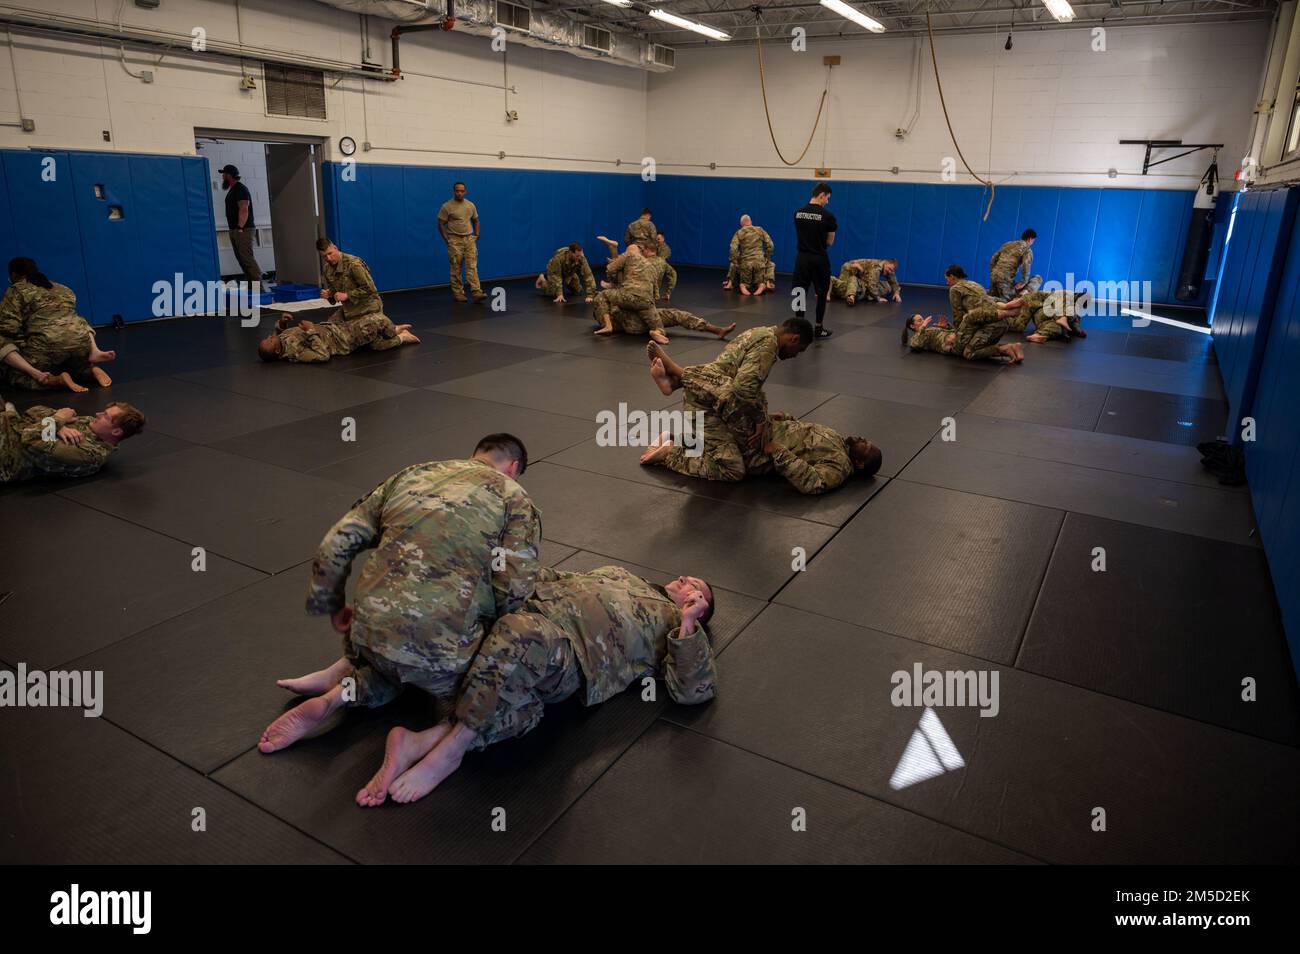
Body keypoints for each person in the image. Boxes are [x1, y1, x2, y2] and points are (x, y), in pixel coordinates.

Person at [259, 434, 542, 754]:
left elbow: (336, 543)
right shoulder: (514, 498)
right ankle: (437, 733)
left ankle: (336, 695)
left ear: (475, 454)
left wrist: (333, 603)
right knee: (500, 690)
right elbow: (514, 589)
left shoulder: (413, 473)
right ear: (514, 468)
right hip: (440, 654)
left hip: (365, 634)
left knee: (395, 659)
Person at [355, 565, 717, 805]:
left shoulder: (677, 627)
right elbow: (557, 575)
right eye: (686, 579)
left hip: (567, 653)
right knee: (522, 708)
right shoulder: (618, 573)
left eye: (696, 591)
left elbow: (693, 690)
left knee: (521, 635)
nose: (685, 585)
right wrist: (507, 574)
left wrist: (689, 622)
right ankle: (412, 735)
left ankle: (451, 751)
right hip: (530, 613)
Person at [646, 318, 813, 444]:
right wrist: (761, 419)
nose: (795, 355)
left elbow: (752, 386)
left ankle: (676, 383)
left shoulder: (762, 332)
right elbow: (743, 389)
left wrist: (765, 413)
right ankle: (677, 372)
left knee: (737, 428)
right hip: (708, 398)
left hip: (707, 389)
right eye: (799, 350)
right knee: (737, 459)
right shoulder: (768, 346)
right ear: (794, 339)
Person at [0, 257, 115, 391]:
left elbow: (8, 327)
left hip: (47, 346)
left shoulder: (16, 290)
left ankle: (48, 378)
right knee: (77, 320)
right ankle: (90, 369)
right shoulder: (62, 288)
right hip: (80, 344)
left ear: (13, 275)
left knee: (14, 374)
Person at [0, 399, 145, 483]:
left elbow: (31, 438)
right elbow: (35, 410)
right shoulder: (90, 423)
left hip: (7, 455)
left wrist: (59, 420)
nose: (97, 414)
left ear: (116, 431)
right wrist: (58, 426)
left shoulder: (89, 454)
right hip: (10, 426)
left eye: (105, 416)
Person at [257, 316, 419, 363]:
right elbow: (322, 355)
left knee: (366, 317)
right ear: (278, 352)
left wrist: (282, 324)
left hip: (333, 327)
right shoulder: (297, 354)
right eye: (270, 341)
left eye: (268, 337)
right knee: (379, 320)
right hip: (343, 340)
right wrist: (310, 331)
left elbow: (280, 334)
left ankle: (394, 330)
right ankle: (400, 337)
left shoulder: (280, 341)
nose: (270, 336)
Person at [592, 242, 666, 343]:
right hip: (646, 301)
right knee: (659, 327)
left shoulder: (629, 255)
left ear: (630, 251)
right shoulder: (650, 265)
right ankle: (657, 332)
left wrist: (613, 282)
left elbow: (610, 269)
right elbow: (656, 293)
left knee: (602, 295)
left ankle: (608, 326)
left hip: (628, 296)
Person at [791, 183, 836, 339]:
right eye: (827, 198)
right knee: (822, 294)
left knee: (799, 292)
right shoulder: (828, 216)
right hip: (819, 258)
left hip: (802, 258)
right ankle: (818, 328)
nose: (827, 202)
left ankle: (798, 327)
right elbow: (830, 242)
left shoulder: (798, 213)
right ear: (821, 195)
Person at [903, 313, 1022, 363]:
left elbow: (946, 333)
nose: (923, 321)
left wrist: (946, 326)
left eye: (922, 319)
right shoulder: (919, 335)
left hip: (955, 339)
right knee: (974, 349)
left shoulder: (929, 329)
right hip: (951, 344)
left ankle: (1005, 349)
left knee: (971, 352)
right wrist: (923, 327)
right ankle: (1008, 348)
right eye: (919, 320)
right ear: (912, 326)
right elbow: (915, 345)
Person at [437, 181, 486, 303]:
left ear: (465, 191)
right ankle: (458, 293)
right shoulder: (447, 206)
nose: (459, 193)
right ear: (454, 191)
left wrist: (476, 234)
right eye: (457, 191)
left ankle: (476, 292)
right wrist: (447, 239)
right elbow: (441, 224)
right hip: (455, 240)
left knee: (472, 266)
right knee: (456, 267)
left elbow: (476, 220)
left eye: (462, 191)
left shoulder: (470, 205)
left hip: (469, 239)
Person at [316, 239, 386, 320]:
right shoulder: (327, 269)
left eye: (330, 253)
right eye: (324, 256)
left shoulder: (354, 264)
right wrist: (329, 295)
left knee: (358, 331)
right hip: (349, 310)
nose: (329, 258)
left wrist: (347, 295)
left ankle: (394, 329)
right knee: (328, 328)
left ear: (335, 248)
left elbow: (370, 289)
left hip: (368, 309)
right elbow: (334, 299)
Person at [219, 164, 262, 287]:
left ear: (229, 175)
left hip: (243, 229)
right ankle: (252, 287)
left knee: (247, 259)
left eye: (224, 174)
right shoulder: (233, 190)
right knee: (242, 260)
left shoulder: (240, 189)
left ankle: (260, 289)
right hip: (236, 229)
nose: (222, 176)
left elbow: (244, 209)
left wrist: (240, 228)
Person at [602, 305, 734, 340]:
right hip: (635, 320)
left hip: (645, 315)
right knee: (676, 315)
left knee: (676, 314)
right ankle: (657, 331)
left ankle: (718, 330)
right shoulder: (611, 300)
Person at [1004, 289, 1090, 342]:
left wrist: (1079, 331)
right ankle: (1003, 309)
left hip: (1043, 313)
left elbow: (1075, 322)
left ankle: (1040, 335)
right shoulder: (1066, 295)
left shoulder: (1074, 309)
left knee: (1057, 329)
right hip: (1032, 302)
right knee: (1017, 326)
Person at [989, 229, 1036, 300]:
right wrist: (1023, 282)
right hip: (1005, 281)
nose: (1032, 243)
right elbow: (1026, 265)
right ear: (1030, 239)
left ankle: (991, 298)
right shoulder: (1027, 249)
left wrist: (994, 272)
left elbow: (993, 259)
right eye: (1033, 241)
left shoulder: (1008, 244)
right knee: (1007, 302)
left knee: (995, 297)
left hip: (993, 278)